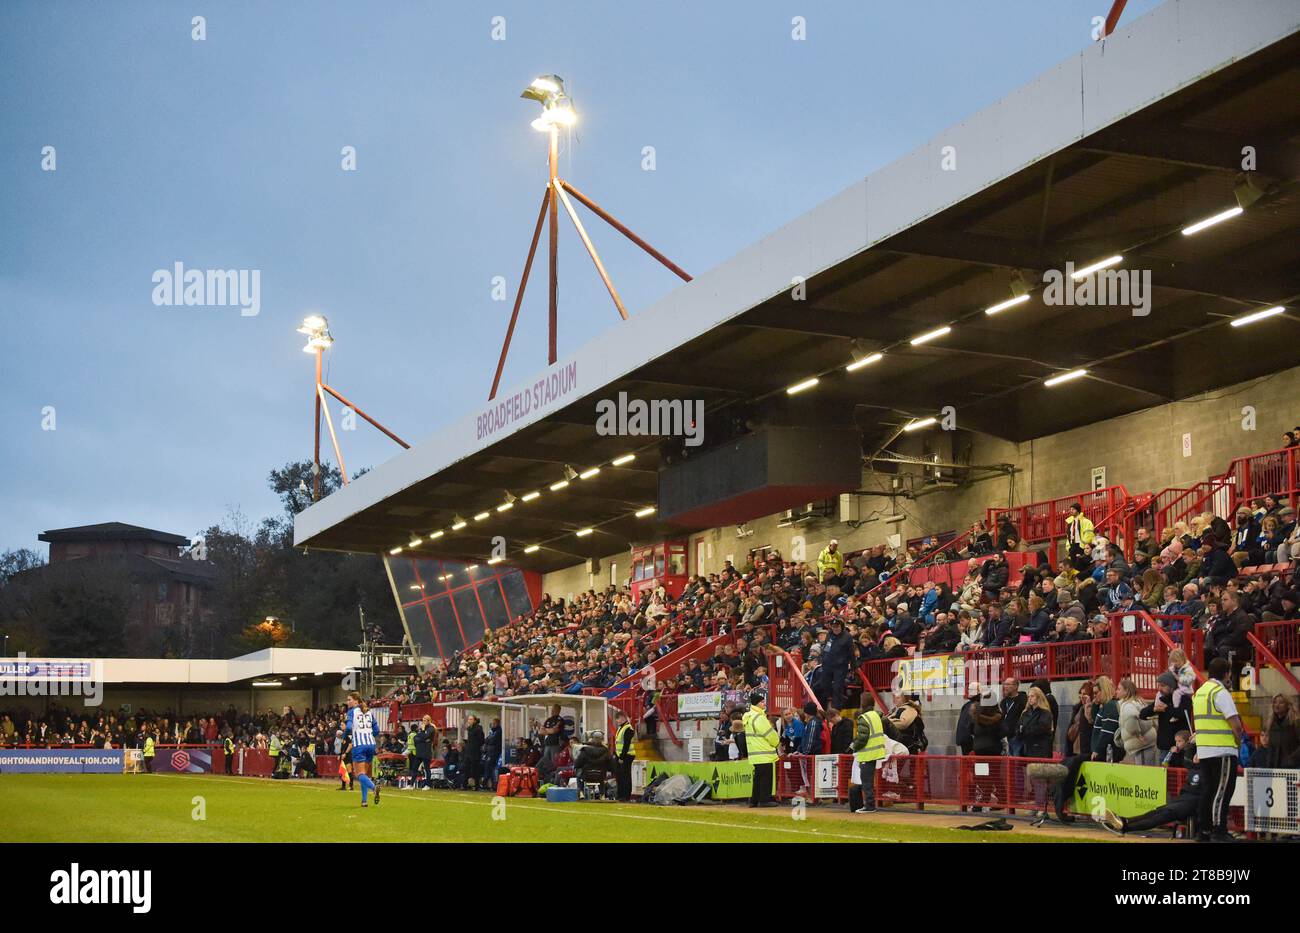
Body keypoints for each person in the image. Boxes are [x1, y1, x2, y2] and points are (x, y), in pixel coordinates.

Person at [1191, 657, 1244, 842]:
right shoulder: (1220, 692)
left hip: (1205, 750)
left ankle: (1203, 831)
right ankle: (1218, 831)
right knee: (1222, 792)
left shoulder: (1200, 692)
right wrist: (1238, 743)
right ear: (1227, 673)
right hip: (1222, 750)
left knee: (1208, 791)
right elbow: (1235, 725)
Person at [1102, 754, 1205, 836]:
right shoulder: (1192, 768)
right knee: (1154, 812)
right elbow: (1186, 755)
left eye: (1198, 755)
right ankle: (1124, 820)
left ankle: (1125, 827)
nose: (1196, 756)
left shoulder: (1207, 772)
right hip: (1181, 800)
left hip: (1191, 803)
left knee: (1160, 816)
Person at [849, 694, 890, 814]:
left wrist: (854, 746)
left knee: (866, 781)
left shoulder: (864, 717)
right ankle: (870, 804)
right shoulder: (876, 715)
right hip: (876, 753)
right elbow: (889, 727)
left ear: (863, 703)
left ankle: (870, 805)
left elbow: (862, 737)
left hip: (867, 754)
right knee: (869, 781)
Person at [741, 692, 779, 808]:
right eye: (762, 702)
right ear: (757, 704)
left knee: (757, 777)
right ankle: (764, 799)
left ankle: (754, 800)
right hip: (764, 753)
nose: (764, 704)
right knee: (766, 778)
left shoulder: (749, 717)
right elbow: (770, 734)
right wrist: (777, 742)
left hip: (755, 753)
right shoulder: (759, 717)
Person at [344, 692, 380, 808]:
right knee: (364, 774)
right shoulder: (368, 712)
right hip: (371, 744)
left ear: (356, 701)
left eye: (349, 700)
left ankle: (374, 788)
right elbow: (377, 730)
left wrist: (345, 736)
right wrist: (368, 734)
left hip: (359, 745)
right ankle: (364, 801)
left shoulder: (351, 712)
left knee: (359, 774)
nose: (347, 702)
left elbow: (349, 727)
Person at [1117, 677, 1158, 766]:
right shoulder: (1139, 701)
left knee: (1144, 774)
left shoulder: (1127, 705)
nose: (1117, 691)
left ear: (1126, 691)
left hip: (1141, 746)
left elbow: (1130, 717)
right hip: (1146, 744)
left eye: (1119, 689)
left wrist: (1137, 734)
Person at [612, 710, 636, 801]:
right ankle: (620, 795)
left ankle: (626, 796)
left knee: (625, 777)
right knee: (620, 776)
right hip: (620, 755)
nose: (617, 721)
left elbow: (626, 744)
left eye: (617, 719)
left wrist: (622, 757)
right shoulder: (621, 728)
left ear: (622, 718)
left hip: (627, 756)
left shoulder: (628, 728)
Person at [412, 714, 438, 789]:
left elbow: (425, 736)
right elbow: (415, 738)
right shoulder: (421, 729)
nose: (423, 721)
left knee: (427, 768)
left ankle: (427, 785)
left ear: (429, 720)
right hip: (419, 751)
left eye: (425, 720)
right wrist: (422, 739)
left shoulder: (431, 728)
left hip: (426, 751)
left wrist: (422, 733)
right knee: (415, 768)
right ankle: (411, 785)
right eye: (423, 720)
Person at [462, 715, 485, 790]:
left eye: (471, 719)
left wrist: (476, 745)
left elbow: (481, 740)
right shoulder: (469, 729)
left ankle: (477, 786)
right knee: (466, 768)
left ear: (474, 720)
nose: (469, 721)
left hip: (475, 752)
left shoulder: (478, 729)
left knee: (475, 769)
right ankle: (465, 785)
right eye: (468, 719)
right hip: (468, 752)